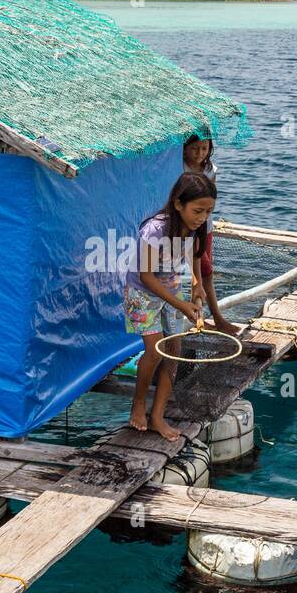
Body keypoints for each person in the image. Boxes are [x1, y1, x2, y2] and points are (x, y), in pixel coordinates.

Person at [125, 173, 216, 440]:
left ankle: (157, 415)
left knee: (174, 351)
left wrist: (198, 283)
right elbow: (146, 276)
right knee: (154, 351)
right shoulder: (154, 230)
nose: (202, 217)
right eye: (198, 210)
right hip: (143, 293)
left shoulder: (197, 225)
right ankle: (138, 406)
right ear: (178, 204)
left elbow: (196, 252)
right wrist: (182, 304)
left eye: (208, 211)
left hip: (172, 290)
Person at [182, 135, 235, 335]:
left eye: (204, 149)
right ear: (185, 148)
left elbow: (212, 198)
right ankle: (215, 319)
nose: (200, 153)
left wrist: (203, 216)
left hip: (205, 226)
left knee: (205, 274)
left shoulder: (210, 169)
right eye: (195, 148)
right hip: (188, 226)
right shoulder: (178, 168)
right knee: (205, 271)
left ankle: (199, 317)